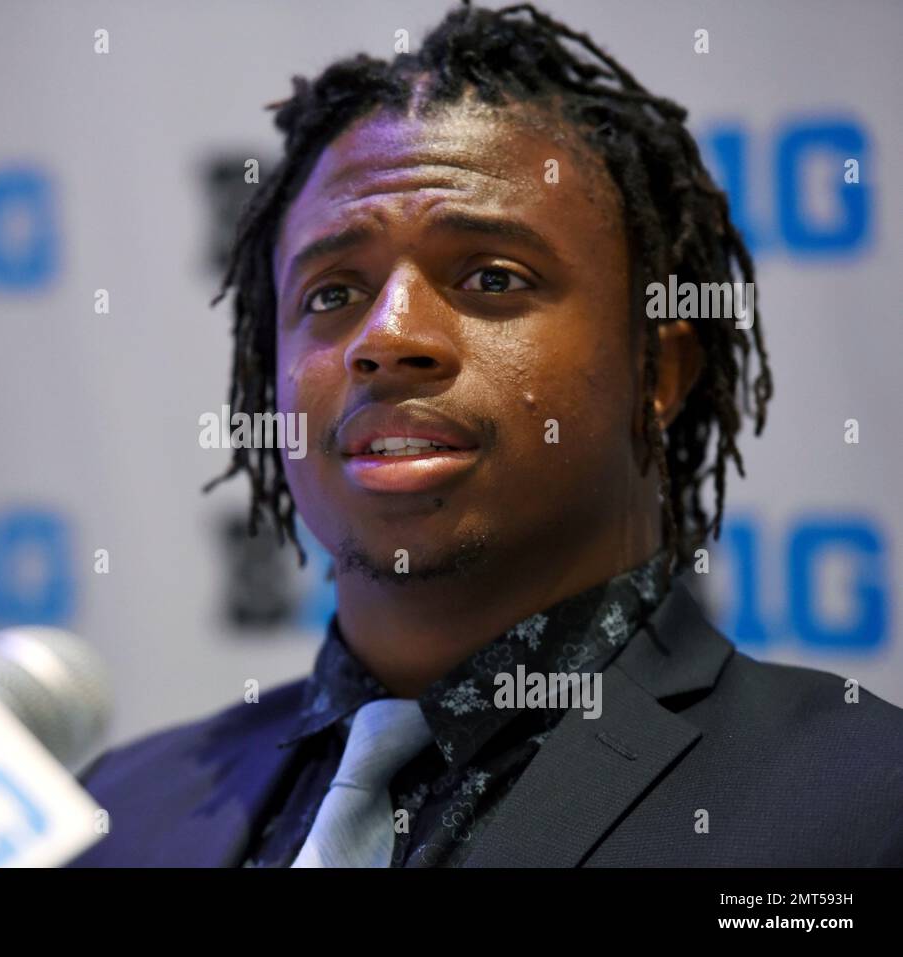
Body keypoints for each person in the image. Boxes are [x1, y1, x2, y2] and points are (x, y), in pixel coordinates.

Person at [68, 1, 903, 867]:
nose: (386, 338)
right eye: (331, 295)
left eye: (493, 277)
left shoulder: (860, 811)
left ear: (659, 373)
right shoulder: (117, 812)